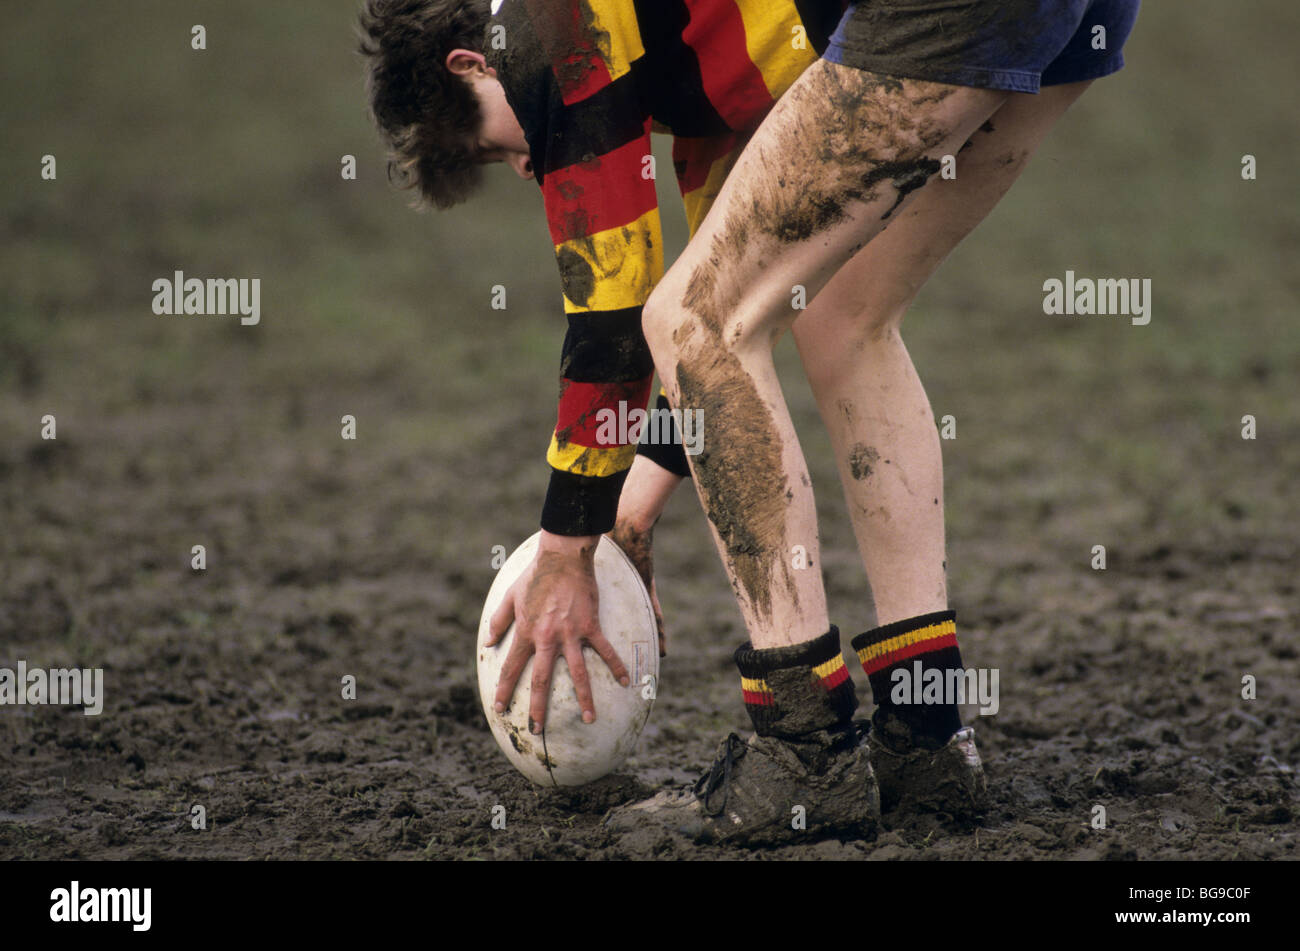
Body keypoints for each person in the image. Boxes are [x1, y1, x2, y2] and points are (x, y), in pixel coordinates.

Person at [361, 0, 1141, 844]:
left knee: (693, 320)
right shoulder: (705, 63)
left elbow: (621, 313)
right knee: (839, 312)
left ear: (472, 62)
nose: (521, 165)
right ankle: (926, 733)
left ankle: (804, 750)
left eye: (491, 144)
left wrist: (565, 549)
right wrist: (629, 515)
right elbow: (733, 332)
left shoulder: (543, 27)